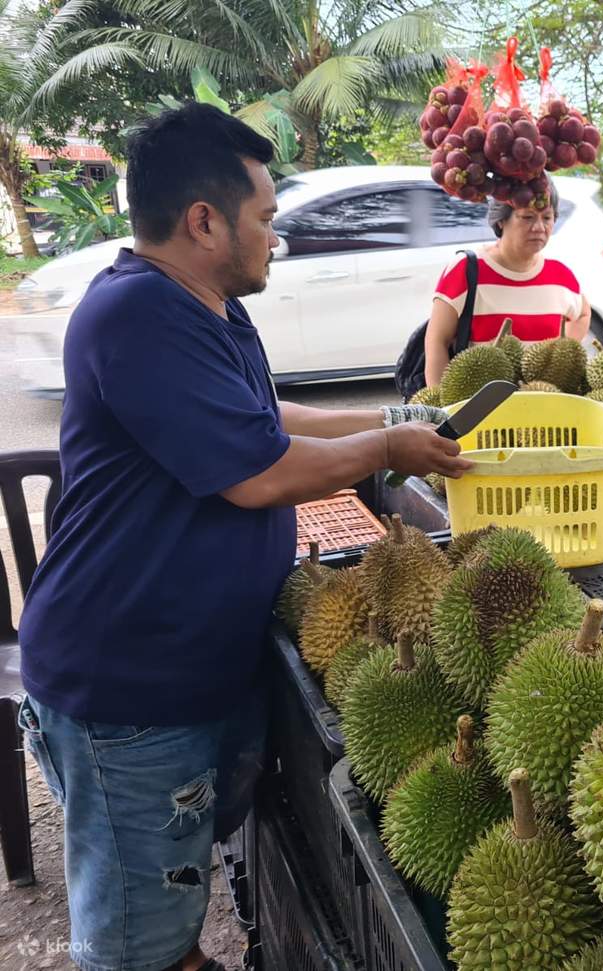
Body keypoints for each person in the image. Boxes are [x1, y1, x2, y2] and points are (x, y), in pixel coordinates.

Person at [17, 104, 470, 971]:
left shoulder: (204, 306)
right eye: (265, 218)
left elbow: (262, 423)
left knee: (165, 907)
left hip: (177, 670)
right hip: (127, 687)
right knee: (132, 948)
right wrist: (385, 449)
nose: (274, 238)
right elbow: (257, 474)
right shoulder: (139, 316)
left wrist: (391, 415)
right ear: (203, 221)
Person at [424, 179, 591, 386]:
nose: (539, 227)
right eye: (527, 217)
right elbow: (437, 340)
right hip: (480, 406)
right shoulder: (466, 269)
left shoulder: (561, 275)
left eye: (547, 218)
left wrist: (561, 352)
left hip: (543, 407)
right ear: (501, 220)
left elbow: (583, 314)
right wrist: (441, 407)